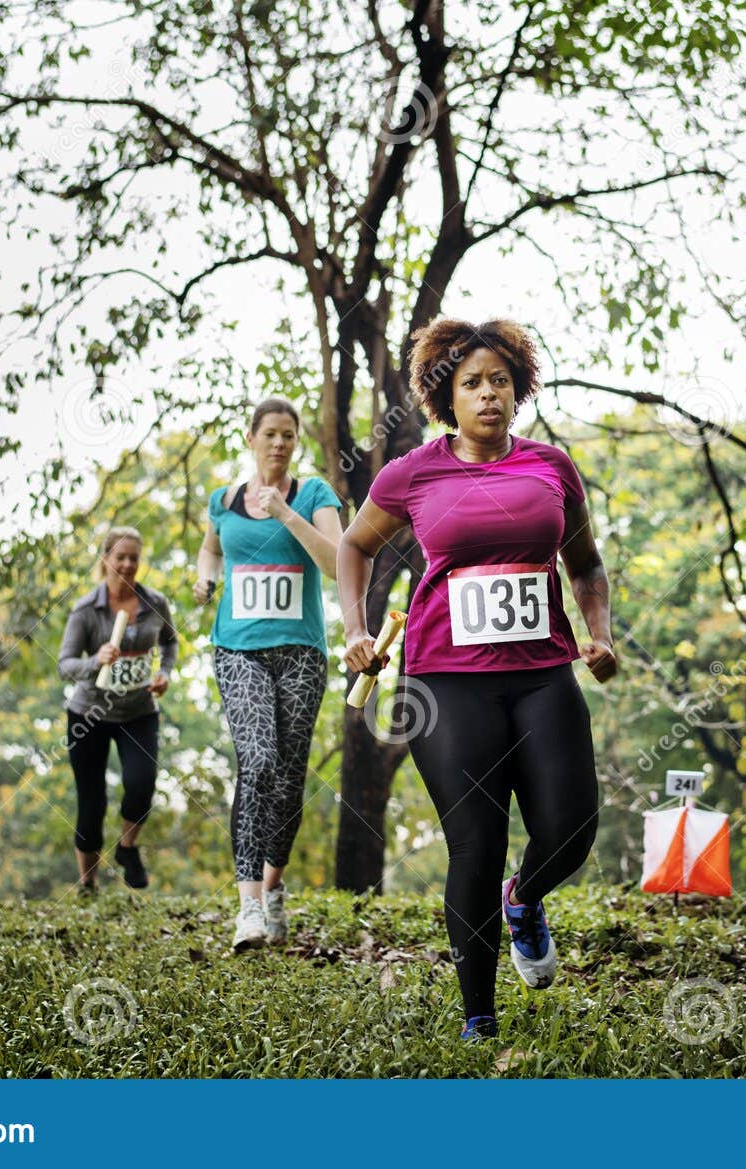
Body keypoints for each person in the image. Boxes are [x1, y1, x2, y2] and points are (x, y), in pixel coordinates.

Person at [339, 318, 618, 1042]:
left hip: (542, 672)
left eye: (500, 380)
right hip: (445, 682)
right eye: (472, 383)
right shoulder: (413, 473)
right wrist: (355, 629)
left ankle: (523, 899)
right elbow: (354, 547)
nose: (489, 394)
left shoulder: (552, 467)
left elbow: (585, 563)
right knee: (476, 841)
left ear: (518, 389)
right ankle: (478, 1017)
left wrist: (600, 633)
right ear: (448, 396)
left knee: (571, 826)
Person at [197, 397, 343, 952]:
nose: (279, 443)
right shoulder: (224, 500)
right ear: (251, 437)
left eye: (289, 435)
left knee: (288, 778)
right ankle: (249, 906)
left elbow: (336, 563)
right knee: (256, 762)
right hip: (239, 650)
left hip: (301, 652)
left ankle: (274, 885)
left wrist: (284, 513)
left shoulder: (314, 495)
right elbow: (210, 550)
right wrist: (206, 578)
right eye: (270, 434)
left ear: (296, 441)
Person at [57, 526, 178, 893]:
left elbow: (170, 643)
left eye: (133, 558)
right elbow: (64, 665)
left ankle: (127, 847)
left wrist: (164, 673)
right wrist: (95, 660)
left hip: (138, 712)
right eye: (120, 557)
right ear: (105, 558)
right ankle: (87, 883)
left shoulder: (155, 603)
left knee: (142, 785)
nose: (127, 564)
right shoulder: (85, 610)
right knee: (91, 803)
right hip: (89, 714)